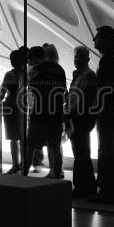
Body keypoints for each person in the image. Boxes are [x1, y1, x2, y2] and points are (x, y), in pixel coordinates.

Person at [90, 26, 114, 203]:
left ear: (105, 39)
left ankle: (108, 191)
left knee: (108, 150)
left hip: (110, 109)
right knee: (111, 149)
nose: (94, 40)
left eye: (97, 37)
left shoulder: (110, 59)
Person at [22, 46, 66, 178]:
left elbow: (33, 92)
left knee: (30, 147)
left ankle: (23, 177)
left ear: (36, 57)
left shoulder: (34, 71)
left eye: (30, 57)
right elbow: (63, 90)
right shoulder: (59, 69)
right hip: (56, 115)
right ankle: (57, 178)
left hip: (39, 115)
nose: (28, 60)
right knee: (55, 148)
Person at [66, 46, 98, 197]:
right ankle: (85, 186)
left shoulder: (87, 76)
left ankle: (82, 187)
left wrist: (70, 113)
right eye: (76, 57)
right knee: (81, 153)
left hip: (80, 118)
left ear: (87, 59)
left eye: (80, 57)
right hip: (77, 118)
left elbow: (83, 100)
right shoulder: (82, 76)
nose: (77, 60)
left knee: (81, 154)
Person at [0, 49, 26, 174]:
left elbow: (2, 92)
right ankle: (23, 163)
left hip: (11, 106)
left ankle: (15, 164)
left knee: (13, 138)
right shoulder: (27, 73)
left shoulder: (10, 74)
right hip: (24, 107)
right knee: (22, 138)